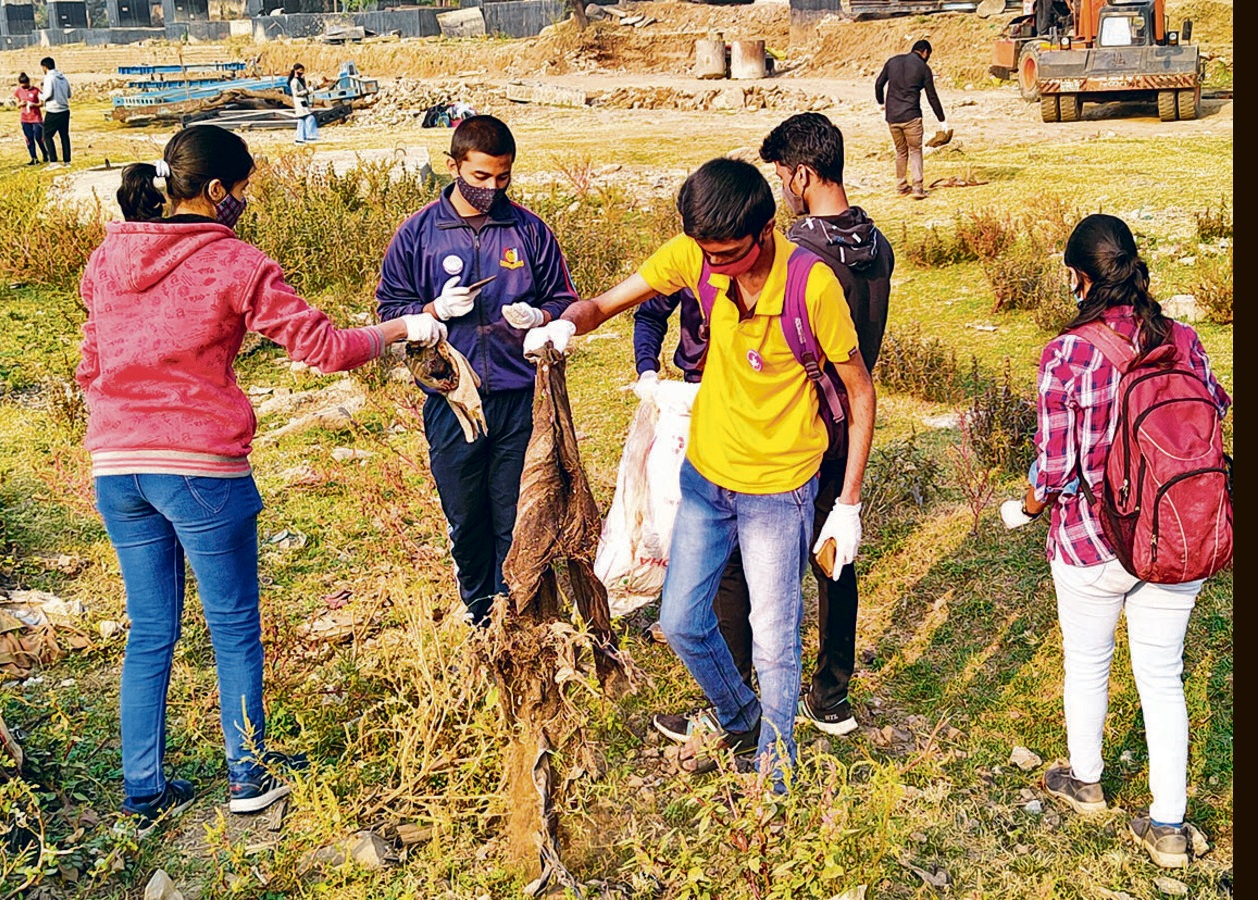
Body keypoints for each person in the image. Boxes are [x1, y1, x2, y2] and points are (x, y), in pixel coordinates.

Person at [76, 124, 447, 832]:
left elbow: (89, 364)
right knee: (234, 626)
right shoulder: (234, 262)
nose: (244, 203)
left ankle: (143, 788)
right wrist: (406, 327)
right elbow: (328, 349)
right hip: (200, 469)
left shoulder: (107, 256)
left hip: (116, 468)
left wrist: (128, 422)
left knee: (151, 628)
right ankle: (249, 775)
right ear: (216, 191)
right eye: (241, 191)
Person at [524, 158, 877, 787]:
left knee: (774, 640)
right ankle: (740, 717)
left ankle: (776, 768)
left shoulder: (812, 286)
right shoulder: (698, 256)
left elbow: (859, 389)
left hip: (779, 489)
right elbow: (607, 302)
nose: (713, 270)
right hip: (706, 477)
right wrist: (564, 325)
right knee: (681, 620)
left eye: (729, 254)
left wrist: (847, 502)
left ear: (766, 229)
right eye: (706, 254)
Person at [642, 113, 895, 742]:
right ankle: (830, 694)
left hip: (796, 434)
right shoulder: (875, 243)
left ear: (800, 175)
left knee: (750, 585)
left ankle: (751, 714)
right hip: (834, 431)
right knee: (834, 563)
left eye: (784, 175)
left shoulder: (802, 261)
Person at [998, 213, 1230, 869]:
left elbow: (1054, 469)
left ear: (1078, 279)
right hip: (1177, 535)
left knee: (1088, 663)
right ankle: (1168, 829)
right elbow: (1214, 407)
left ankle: (1088, 781)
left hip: (1091, 541)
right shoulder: (1184, 339)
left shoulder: (1066, 354)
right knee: (1163, 678)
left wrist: (1027, 507)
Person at [376, 115, 581, 627]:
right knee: (466, 518)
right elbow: (387, 311)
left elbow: (562, 298)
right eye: (482, 177)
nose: (493, 188)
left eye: (503, 177)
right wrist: (431, 312)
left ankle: (521, 611)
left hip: (519, 397)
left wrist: (543, 317)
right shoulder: (418, 234)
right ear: (453, 165)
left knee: (515, 513)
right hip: (453, 400)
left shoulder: (529, 230)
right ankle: (479, 615)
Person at [874, 40, 948, 200]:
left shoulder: (892, 61)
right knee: (915, 150)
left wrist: (880, 103)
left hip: (892, 117)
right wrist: (942, 119)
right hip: (911, 116)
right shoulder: (923, 68)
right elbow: (932, 96)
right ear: (925, 52)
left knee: (900, 151)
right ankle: (917, 188)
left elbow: (879, 84)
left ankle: (901, 186)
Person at [39, 56, 72, 168]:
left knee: (47, 135)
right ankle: (67, 161)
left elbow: (47, 94)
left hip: (54, 110)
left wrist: (39, 95)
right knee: (64, 136)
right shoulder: (63, 77)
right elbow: (69, 94)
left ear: (45, 67)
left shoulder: (49, 78)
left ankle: (53, 161)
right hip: (65, 109)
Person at [13, 73, 49, 166]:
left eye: (26, 85)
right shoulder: (18, 91)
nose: (24, 87)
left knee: (39, 137)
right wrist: (21, 104)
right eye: (22, 85)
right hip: (25, 119)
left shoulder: (36, 90)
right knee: (29, 139)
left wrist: (34, 105)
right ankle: (34, 158)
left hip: (36, 118)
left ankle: (45, 153)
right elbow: (17, 105)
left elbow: (41, 103)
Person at [288, 63, 319, 145]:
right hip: (300, 102)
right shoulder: (294, 81)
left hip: (303, 102)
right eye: (300, 70)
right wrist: (309, 90)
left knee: (302, 120)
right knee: (309, 118)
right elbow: (297, 93)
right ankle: (309, 136)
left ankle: (300, 138)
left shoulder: (299, 80)